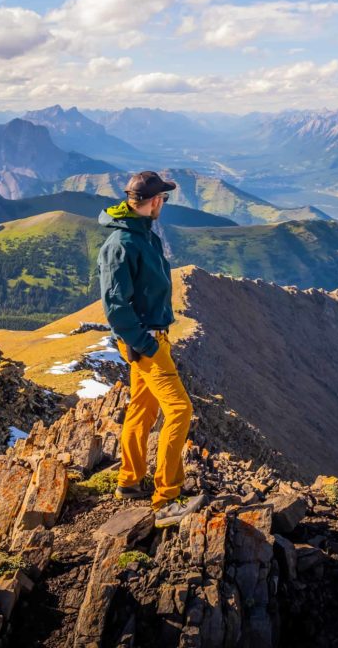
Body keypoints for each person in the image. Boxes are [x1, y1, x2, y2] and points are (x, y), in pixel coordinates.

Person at [97, 170, 202, 527]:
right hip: (146, 340)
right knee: (179, 411)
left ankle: (129, 481)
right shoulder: (121, 244)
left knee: (142, 409)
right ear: (154, 201)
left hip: (151, 337)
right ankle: (166, 499)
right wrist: (143, 343)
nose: (164, 205)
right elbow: (114, 305)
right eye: (164, 199)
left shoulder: (141, 235)